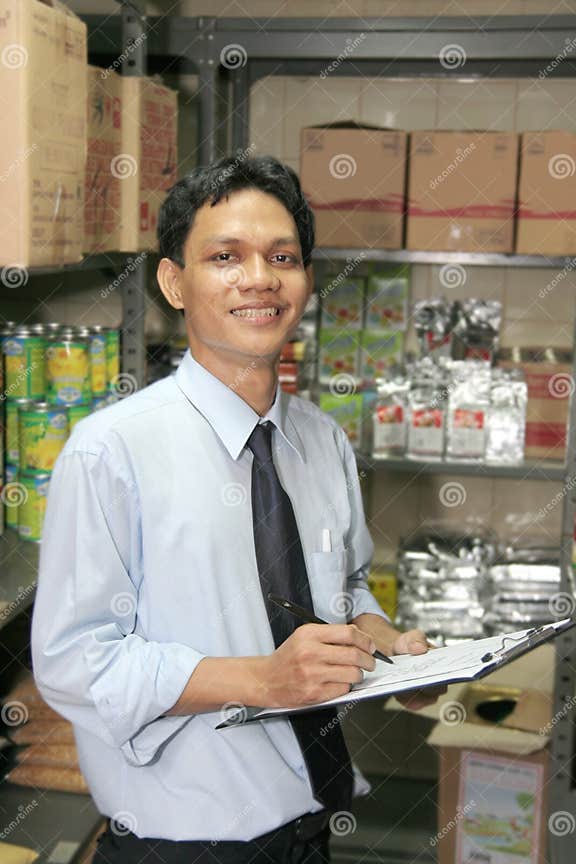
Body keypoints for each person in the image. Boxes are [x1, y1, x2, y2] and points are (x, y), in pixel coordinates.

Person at [31, 155, 443, 864]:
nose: (259, 278)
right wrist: (261, 679)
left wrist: (388, 650)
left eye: (282, 257)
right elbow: (73, 662)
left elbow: (338, 595)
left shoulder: (321, 441)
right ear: (173, 283)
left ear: (307, 281)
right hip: (183, 847)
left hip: (311, 829)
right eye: (226, 256)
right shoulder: (111, 452)